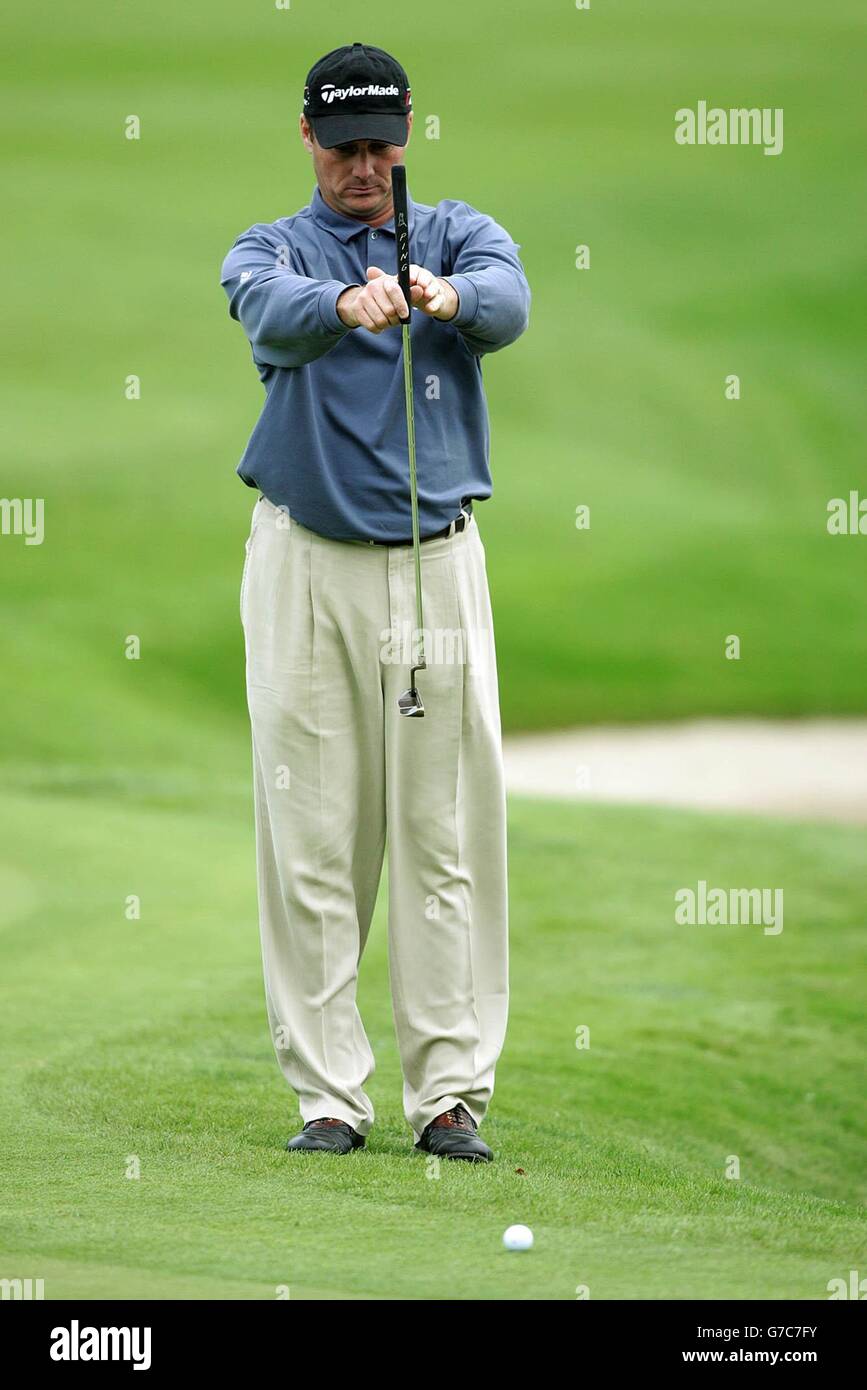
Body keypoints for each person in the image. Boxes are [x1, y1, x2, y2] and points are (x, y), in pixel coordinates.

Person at [220, 42, 530, 1163]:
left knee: (443, 831)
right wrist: (346, 302)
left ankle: (449, 1094)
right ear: (307, 138)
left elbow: (508, 300)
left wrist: (442, 294)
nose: (365, 166)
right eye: (345, 146)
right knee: (314, 835)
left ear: (408, 137)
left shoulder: (453, 231)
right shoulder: (273, 247)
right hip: (305, 562)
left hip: (433, 562)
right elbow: (270, 310)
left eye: (382, 146)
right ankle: (328, 1099)